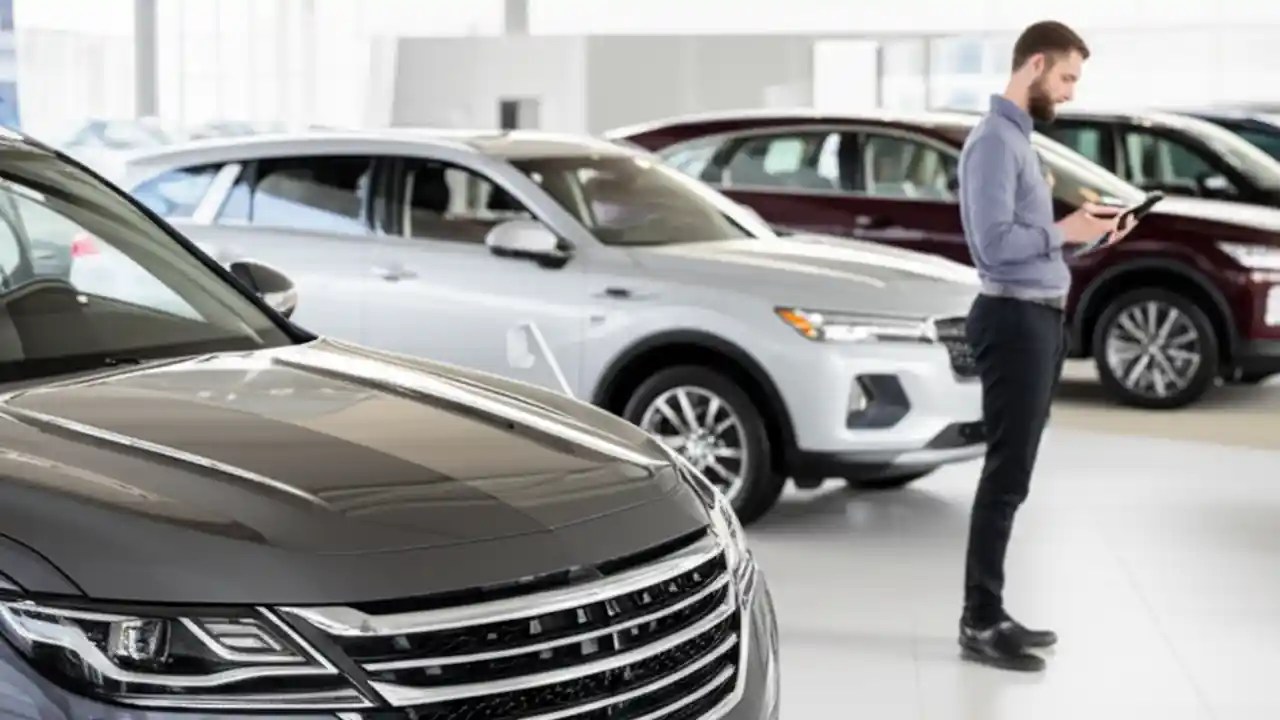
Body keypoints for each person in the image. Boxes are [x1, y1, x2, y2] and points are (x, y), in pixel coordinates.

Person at [955, 20, 1138, 672]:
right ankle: (978, 622)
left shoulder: (1018, 142)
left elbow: (1036, 240)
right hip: (1013, 323)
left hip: (1037, 320)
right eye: (1065, 78)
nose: (1068, 92)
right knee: (1005, 476)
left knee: (1016, 475)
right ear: (1034, 66)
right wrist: (1065, 227)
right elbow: (994, 246)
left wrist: (1092, 235)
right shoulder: (992, 146)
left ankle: (992, 611)